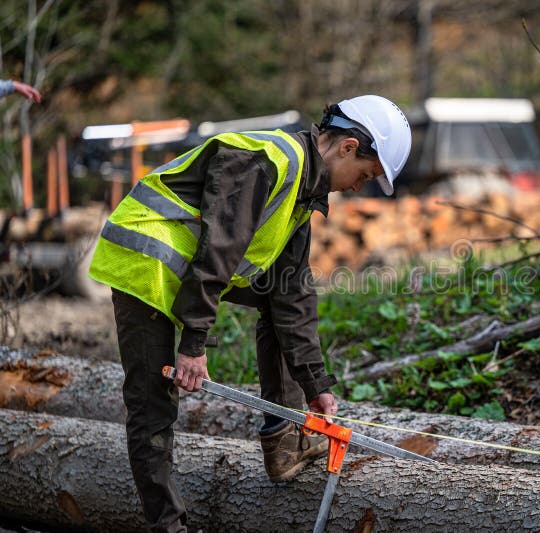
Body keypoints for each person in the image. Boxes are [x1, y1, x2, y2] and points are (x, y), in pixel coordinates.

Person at [88, 95, 411, 532]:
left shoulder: (302, 193)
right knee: (152, 407)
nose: (359, 186)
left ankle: (284, 440)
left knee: (281, 302)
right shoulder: (264, 161)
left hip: (189, 268)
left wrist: (314, 384)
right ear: (348, 147)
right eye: (366, 174)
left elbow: (292, 296)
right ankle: (167, 526)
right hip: (146, 260)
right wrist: (193, 345)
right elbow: (218, 250)